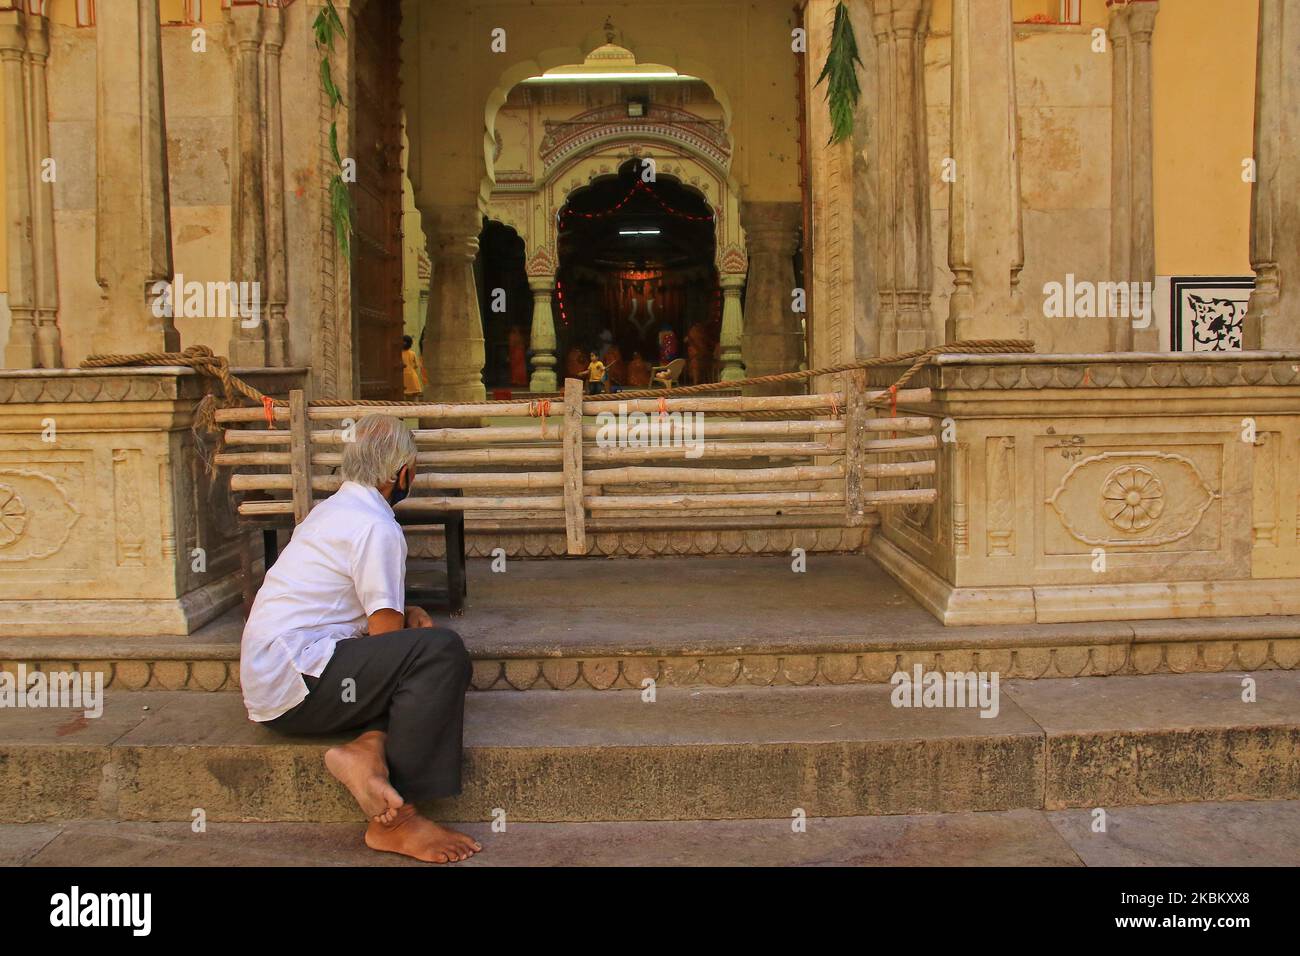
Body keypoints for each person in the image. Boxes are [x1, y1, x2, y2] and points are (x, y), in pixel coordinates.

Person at [240, 414, 480, 864]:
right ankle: (398, 819)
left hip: (278, 681)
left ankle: (367, 748)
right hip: (299, 684)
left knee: (420, 653)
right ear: (403, 473)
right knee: (442, 653)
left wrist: (406, 615)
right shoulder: (376, 525)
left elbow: (362, 619)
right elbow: (385, 641)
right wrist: (412, 635)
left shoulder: (333, 510)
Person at [401, 335, 426, 399]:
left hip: (402, 377)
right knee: (414, 398)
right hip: (412, 377)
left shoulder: (398, 353)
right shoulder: (412, 353)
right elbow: (416, 366)